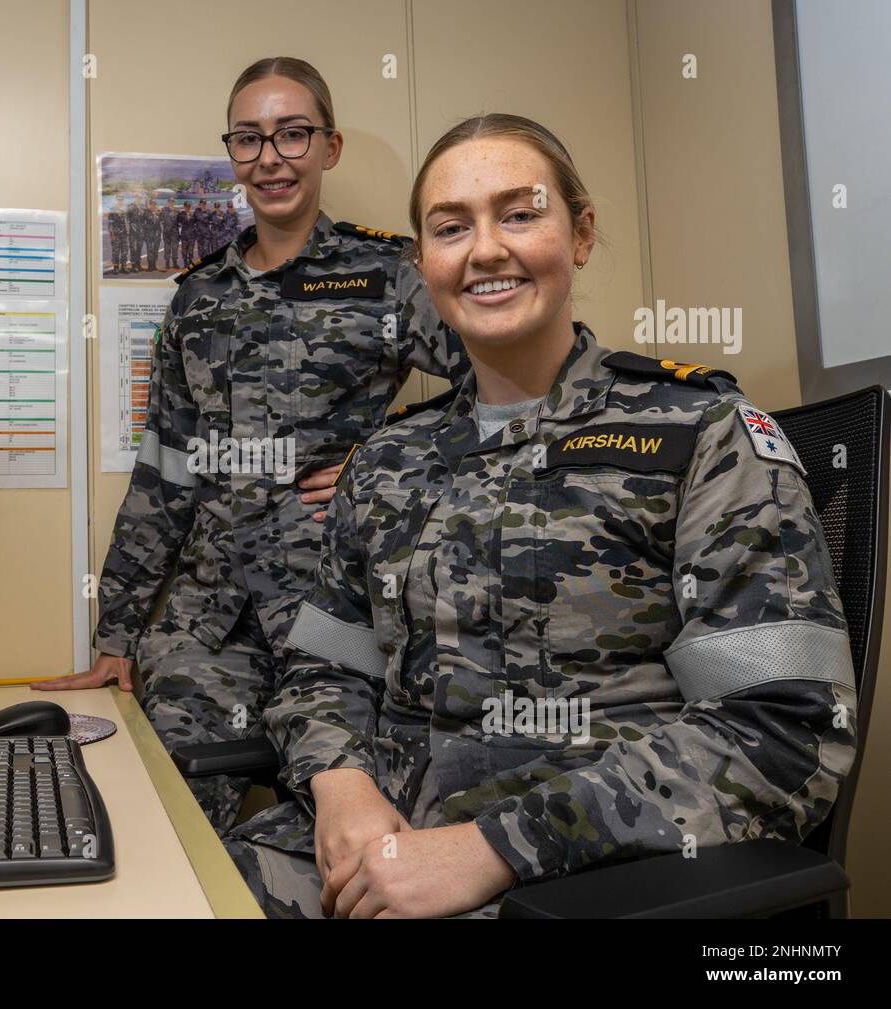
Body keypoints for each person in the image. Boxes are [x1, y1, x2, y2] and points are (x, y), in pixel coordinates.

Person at [222, 112, 858, 916]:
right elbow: (324, 666)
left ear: (581, 233)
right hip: (367, 853)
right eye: (451, 227)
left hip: (581, 879)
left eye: (520, 213)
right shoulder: (385, 461)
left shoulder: (701, 432)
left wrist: (495, 847)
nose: (486, 249)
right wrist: (341, 785)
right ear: (423, 263)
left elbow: (786, 726)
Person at [37, 57, 463, 835]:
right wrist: (115, 635)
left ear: (329, 147)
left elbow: (502, 383)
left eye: (292, 134)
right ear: (231, 152)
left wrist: (381, 463)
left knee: (353, 838)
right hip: (207, 627)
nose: (270, 157)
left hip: (341, 622)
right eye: (249, 138)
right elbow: (163, 471)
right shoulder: (199, 298)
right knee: (157, 829)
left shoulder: (388, 273)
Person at [108, 195, 128, 274]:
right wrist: (112, 234)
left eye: (122, 200)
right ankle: (116, 267)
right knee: (116, 251)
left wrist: (128, 232)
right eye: (119, 200)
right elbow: (110, 224)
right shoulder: (113, 210)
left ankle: (124, 266)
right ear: (116, 200)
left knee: (125, 251)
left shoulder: (126, 209)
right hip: (116, 234)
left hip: (125, 234)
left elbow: (127, 221)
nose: (120, 201)